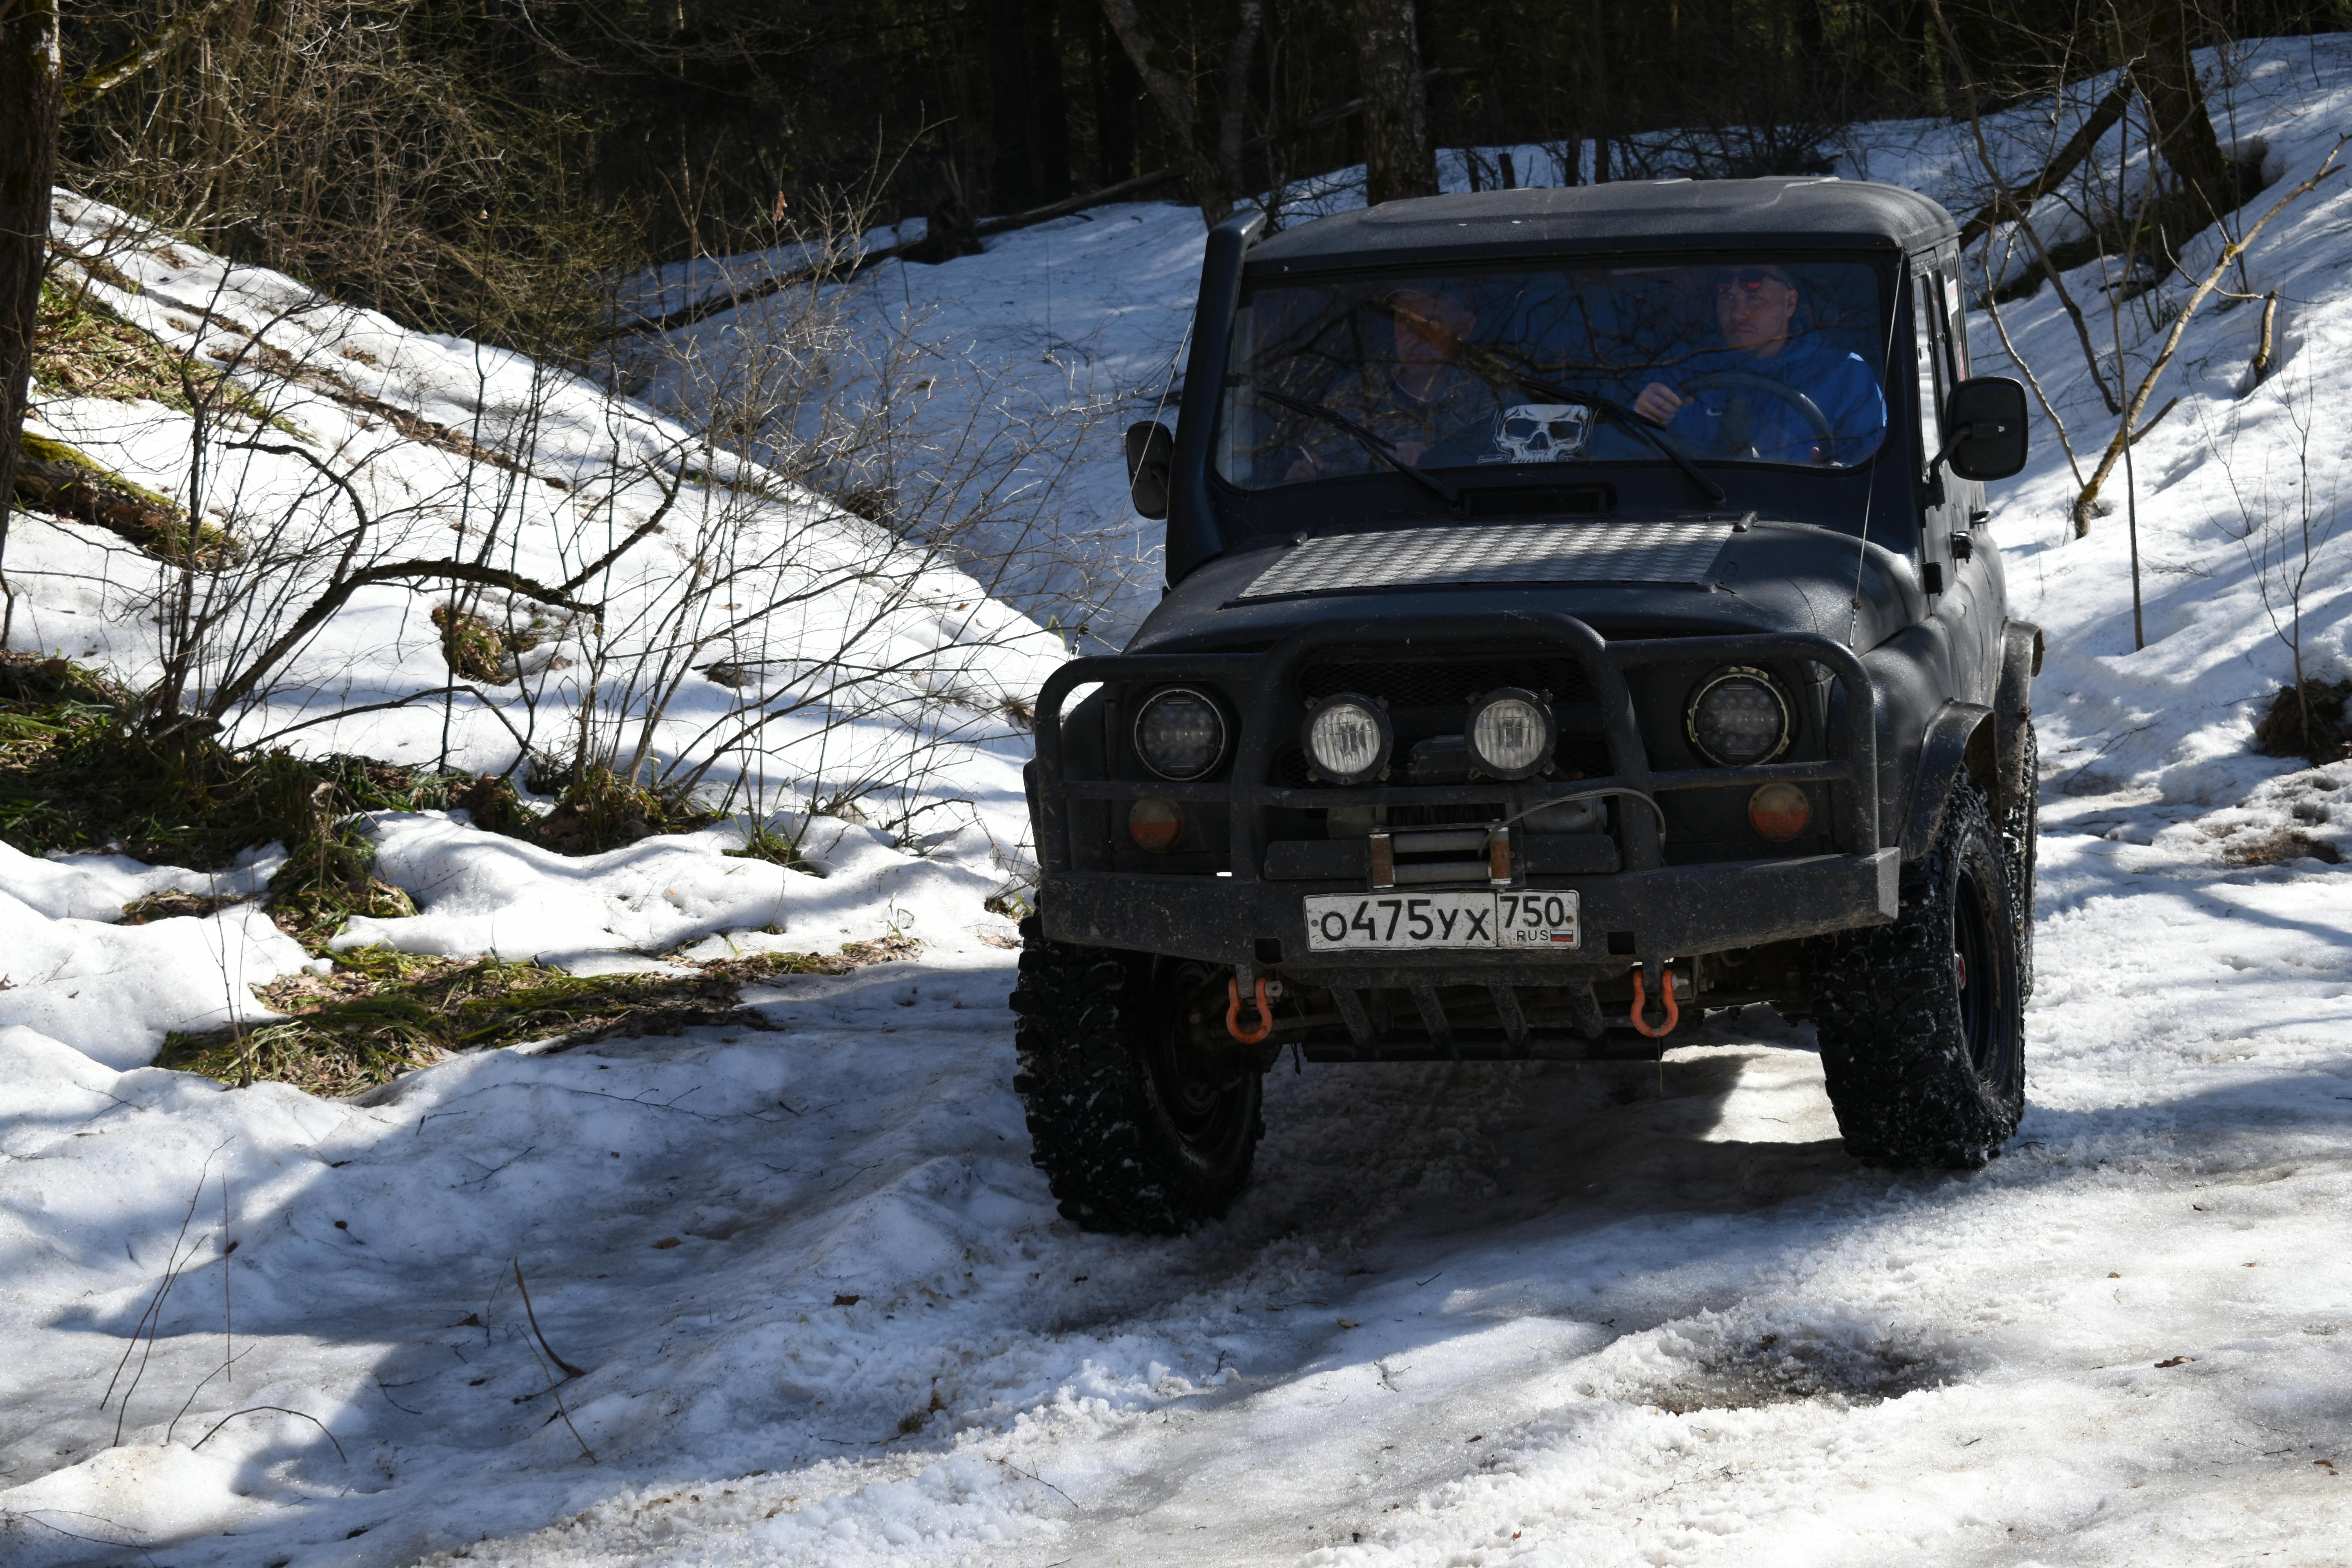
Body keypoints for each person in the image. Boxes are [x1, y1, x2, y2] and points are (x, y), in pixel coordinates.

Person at [1632, 264, 1886, 466]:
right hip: (1697, 508)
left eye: (1754, 298)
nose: (1737, 313)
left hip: (1800, 508)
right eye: (1728, 298)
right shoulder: (1680, 370)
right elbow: (1626, 453)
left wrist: (1841, 474)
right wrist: (1643, 418)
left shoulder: (1844, 375)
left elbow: (1874, 464)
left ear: (1789, 304)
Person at [1281, 287, 1504, 480]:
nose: (1416, 337)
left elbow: (1496, 481)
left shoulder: (1486, 401)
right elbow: (1322, 482)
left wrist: (1434, 460)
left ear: (1465, 327)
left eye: (1433, 323)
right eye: (1406, 321)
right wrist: (1302, 478)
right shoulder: (1354, 398)